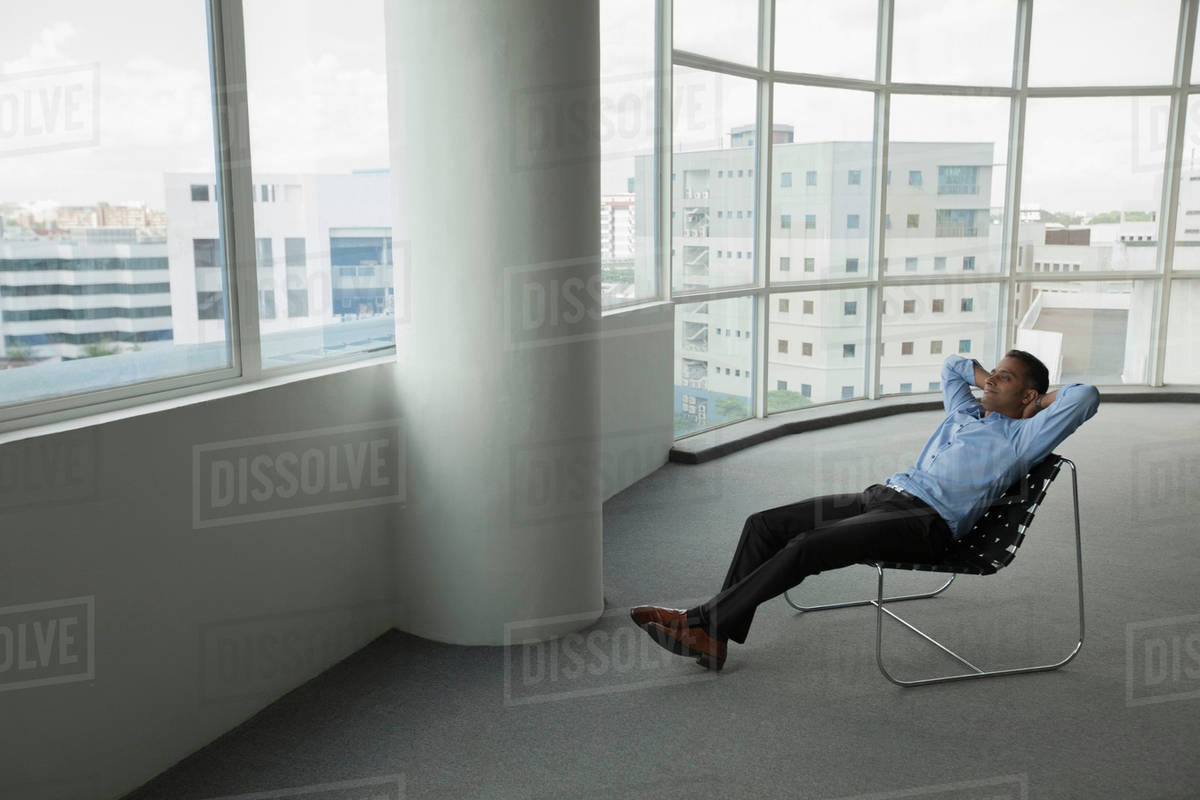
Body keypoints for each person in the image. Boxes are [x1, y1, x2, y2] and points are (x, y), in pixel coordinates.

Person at [632, 350, 1101, 671]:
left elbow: (1086, 396)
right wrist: (989, 380)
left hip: (925, 521)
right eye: (993, 372)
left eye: (1006, 377)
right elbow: (952, 367)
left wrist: (1038, 401)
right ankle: (713, 636)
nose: (992, 379)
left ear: (1028, 398)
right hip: (882, 497)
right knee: (764, 524)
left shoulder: (1023, 438)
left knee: (807, 547)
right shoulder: (965, 413)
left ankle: (699, 622)